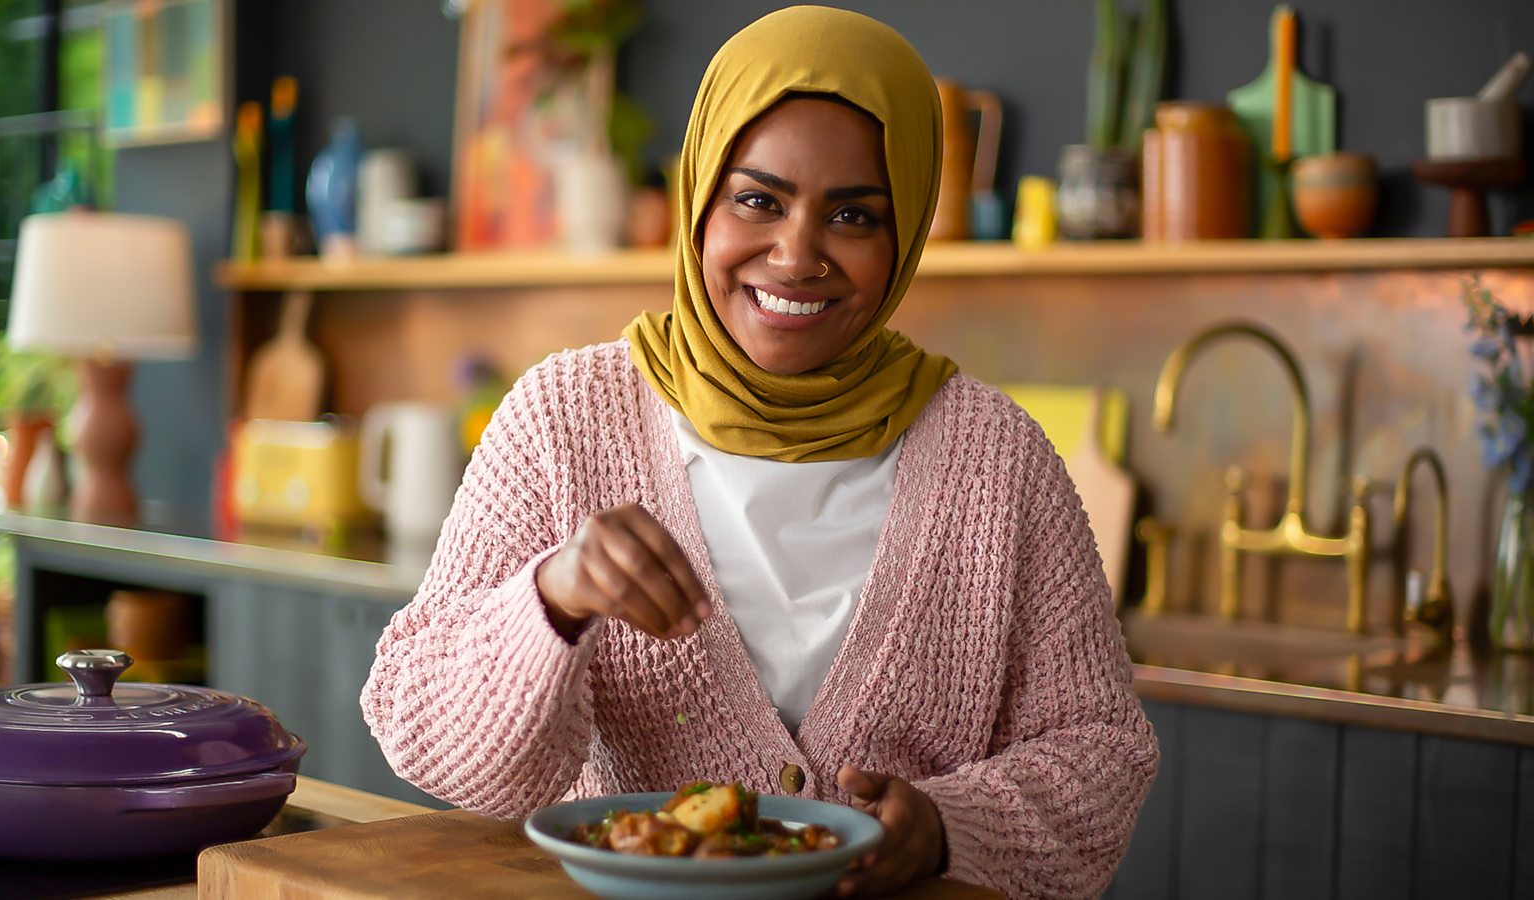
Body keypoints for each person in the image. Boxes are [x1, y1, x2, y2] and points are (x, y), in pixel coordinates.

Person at [361, 7, 1157, 897]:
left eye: (854, 214)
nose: (796, 254)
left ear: (908, 235)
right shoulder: (563, 419)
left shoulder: (1000, 463)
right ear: (700, 198)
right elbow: (425, 737)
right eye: (758, 199)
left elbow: (1102, 754)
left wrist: (944, 828)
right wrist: (553, 597)